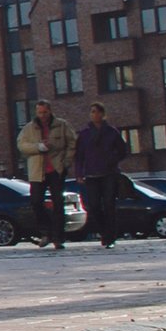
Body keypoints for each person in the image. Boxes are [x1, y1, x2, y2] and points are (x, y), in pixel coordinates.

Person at [73, 101, 131, 248]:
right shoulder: (85, 134)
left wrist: (112, 159)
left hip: (109, 173)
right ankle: (104, 231)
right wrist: (79, 173)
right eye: (92, 112)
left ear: (103, 114)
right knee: (93, 206)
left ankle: (110, 237)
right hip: (91, 175)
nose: (94, 114)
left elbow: (123, 150)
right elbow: (79, 155)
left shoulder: (111, 132)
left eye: (97, 112)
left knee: (109, 204)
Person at [17, 99, 73, 249]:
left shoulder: (61, 125)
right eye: (39, 112)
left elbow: (72, 143)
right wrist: (38, 147)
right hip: (37, 171)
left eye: (45, 112)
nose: (42, 115)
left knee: (58, 203)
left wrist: (66, 162)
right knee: (36, 201)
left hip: (56, 169)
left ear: (50, 111)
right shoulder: (29, 128)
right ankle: (45, 232)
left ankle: (58, 237)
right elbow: (21, 145)